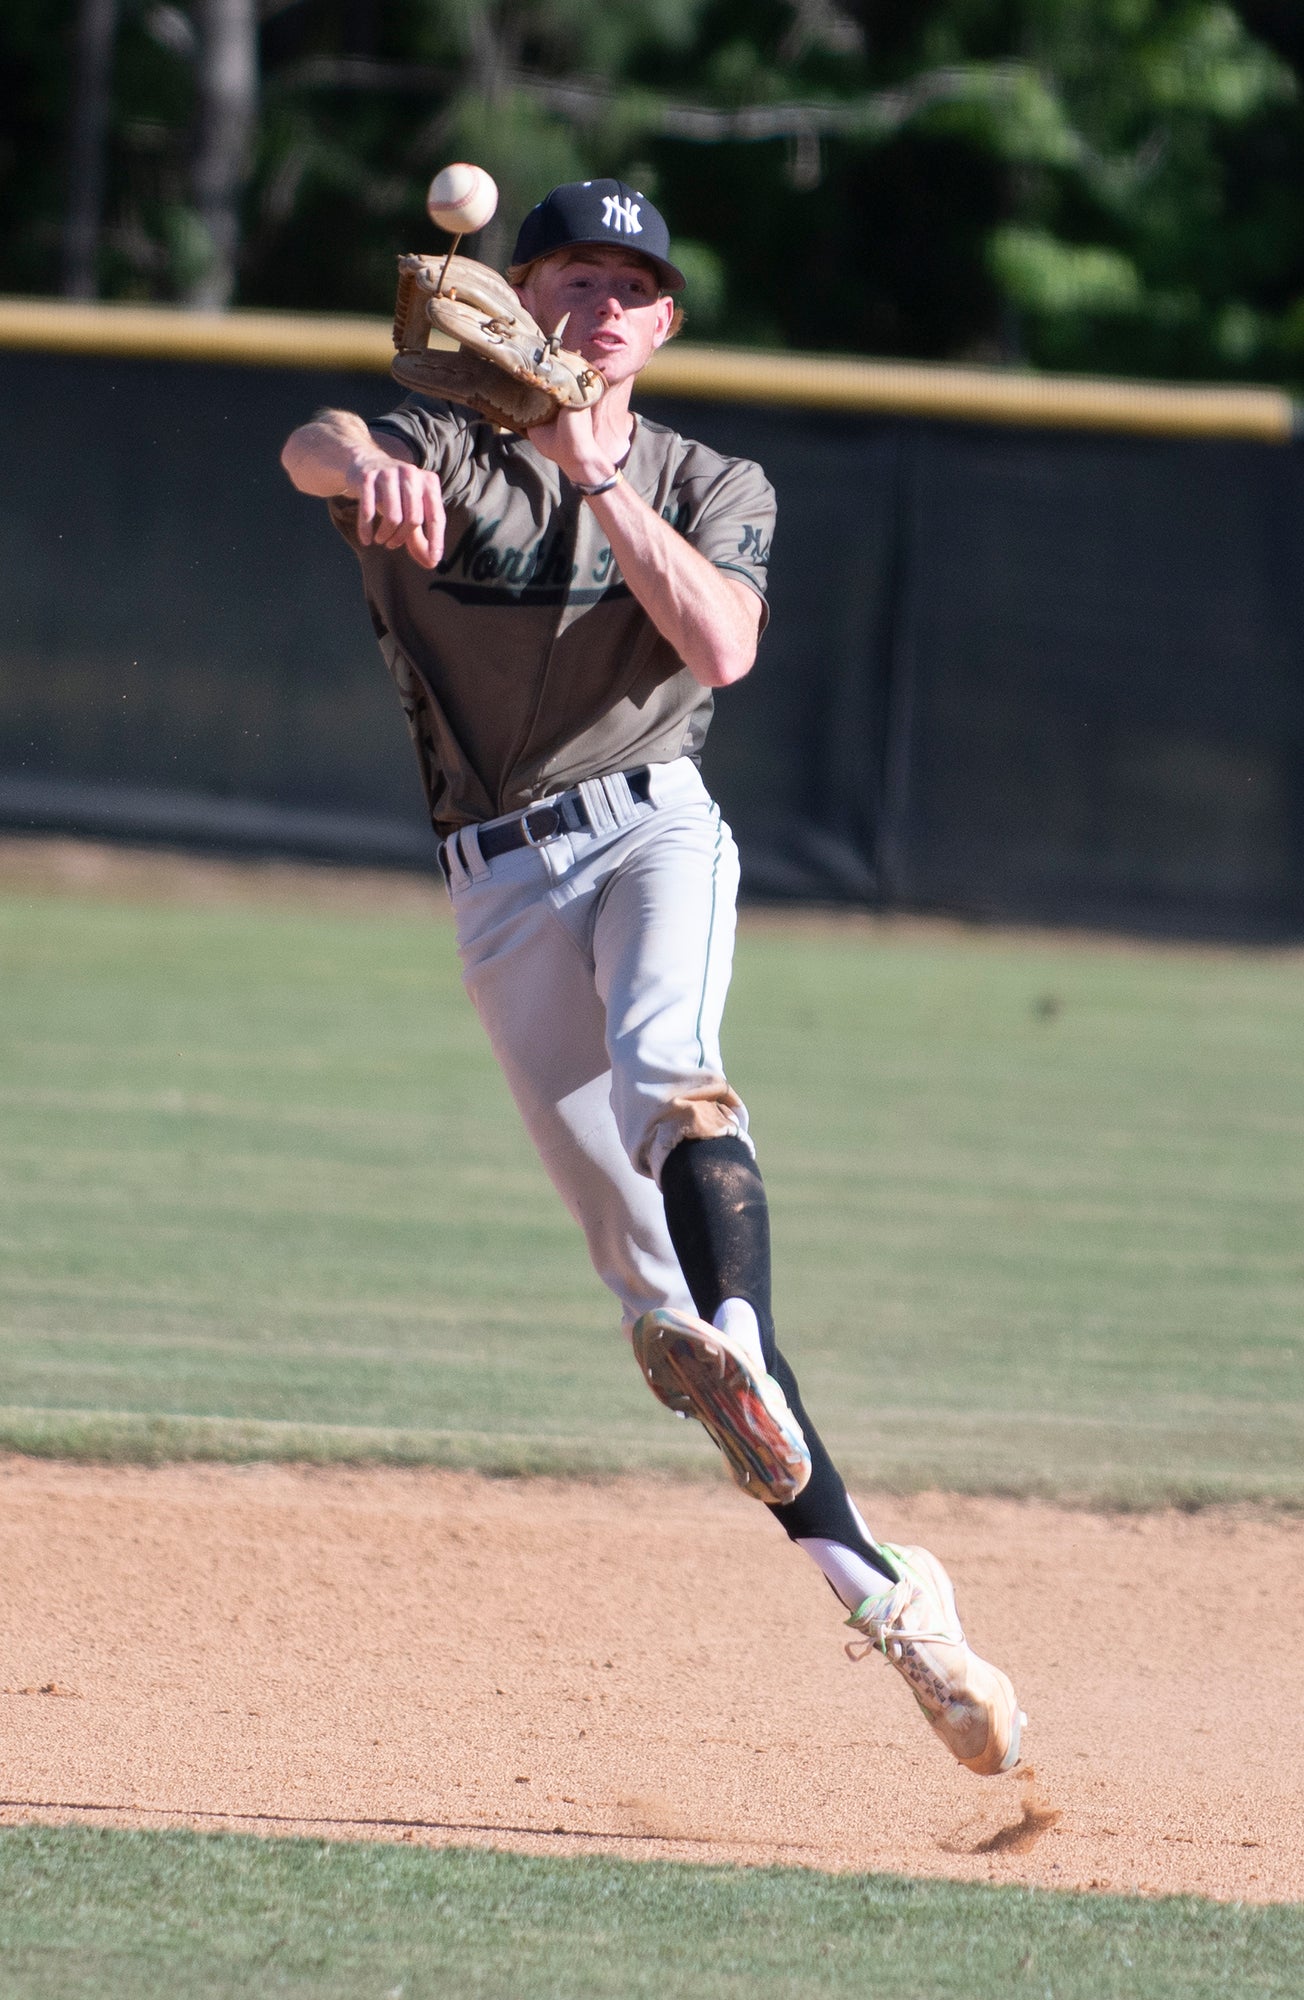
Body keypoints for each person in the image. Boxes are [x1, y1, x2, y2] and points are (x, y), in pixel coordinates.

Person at [281, 178, 1024, 1777]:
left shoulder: (710, 477)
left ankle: (749, 1350)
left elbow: (725, 648)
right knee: (648, 1295)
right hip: (491, 889)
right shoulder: (444, 458)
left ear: (666, 325)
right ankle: (896, 1600)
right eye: (570, 275)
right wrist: (350, 460)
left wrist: (605, 486)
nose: (600, 304)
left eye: (634, 284)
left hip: (651, 833)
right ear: (513, 296)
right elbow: (321, 443)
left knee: (668, 1064)